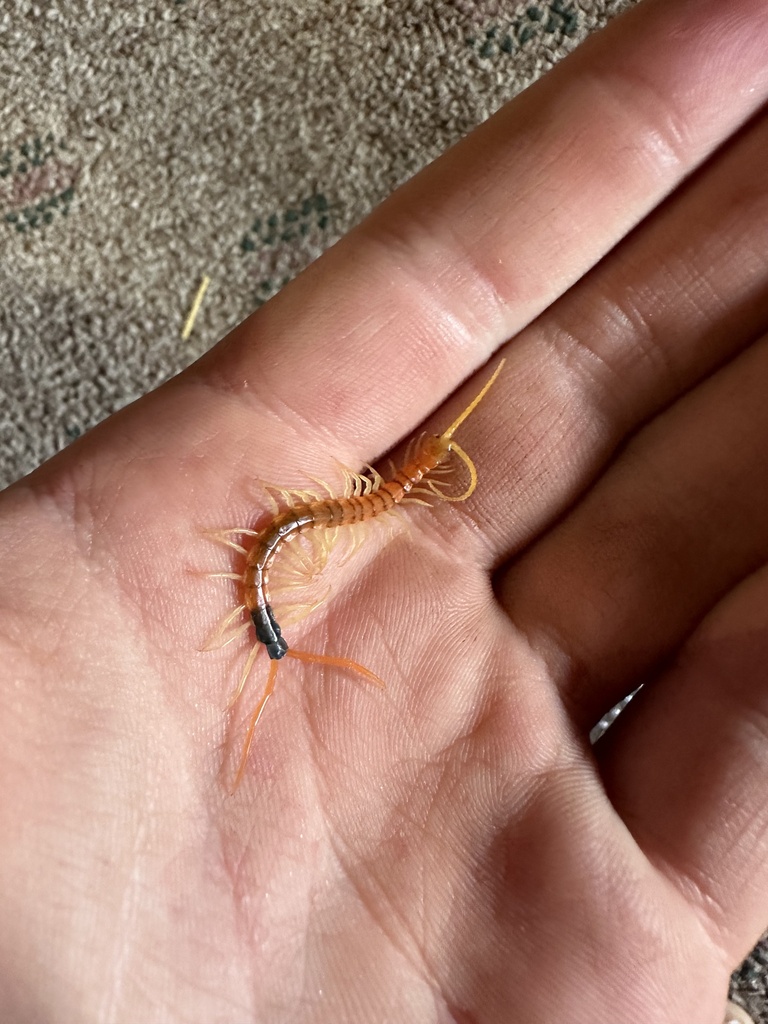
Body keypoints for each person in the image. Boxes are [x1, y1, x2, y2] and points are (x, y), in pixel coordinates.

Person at [0, 0, 766, 1020]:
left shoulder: (296, 549)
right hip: (341, 519)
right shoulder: (279, 571)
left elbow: (291, 531)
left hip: (349, 512)